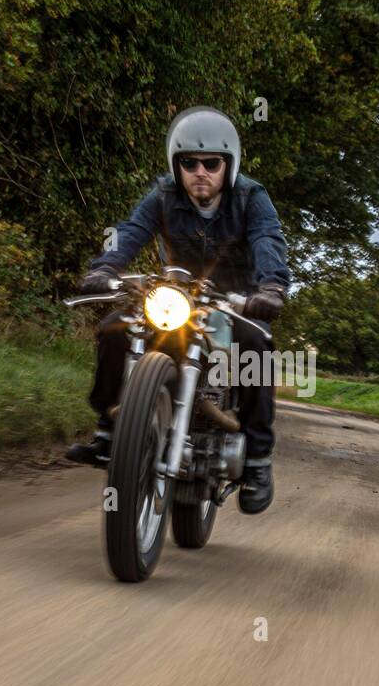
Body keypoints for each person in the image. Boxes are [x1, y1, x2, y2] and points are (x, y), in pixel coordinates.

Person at [66, 106, 290, 514]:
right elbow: (131, 231)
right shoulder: (164, 194)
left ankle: (257, 459)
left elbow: (267, 241)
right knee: (115, 328)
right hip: (175, 295)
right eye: (189, 162)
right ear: (176, 164)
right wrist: (104, 269)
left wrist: (271, 287)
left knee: (257, 343)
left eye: (211, 163)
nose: (200, 171)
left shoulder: (252, 198)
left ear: (229, 165)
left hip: (234, 300)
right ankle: (109, 428)